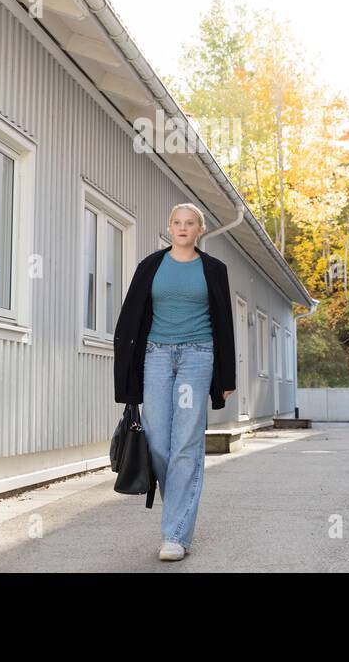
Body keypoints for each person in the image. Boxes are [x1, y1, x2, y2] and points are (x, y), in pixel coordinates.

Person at [112, 202, 235, 562]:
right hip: (157, 356)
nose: (183, 228)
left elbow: (224, 324)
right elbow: (129, 320)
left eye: (190, 223)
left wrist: (225, 376)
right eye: (177, 222)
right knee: (159, 444)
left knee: (186, 444)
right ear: (169, 228)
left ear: (200, 230)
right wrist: (127, 375)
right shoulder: (151, 266)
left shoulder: (214, 270)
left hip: (198, 357)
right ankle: (177, 512)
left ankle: (175, 534)